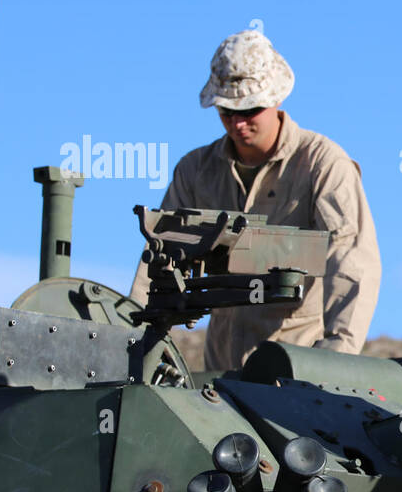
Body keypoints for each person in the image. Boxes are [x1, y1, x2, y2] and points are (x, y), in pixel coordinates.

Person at [130, 30, 380, 371]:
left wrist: (336, 358)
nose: (238, 123)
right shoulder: (195, 171)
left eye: (250, 109)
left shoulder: (323, 165)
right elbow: (158, 259)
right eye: (226, 111)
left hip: (296, 374)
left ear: (276, 99)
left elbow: (351, 261)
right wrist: (132, 347)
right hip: (219, 376)